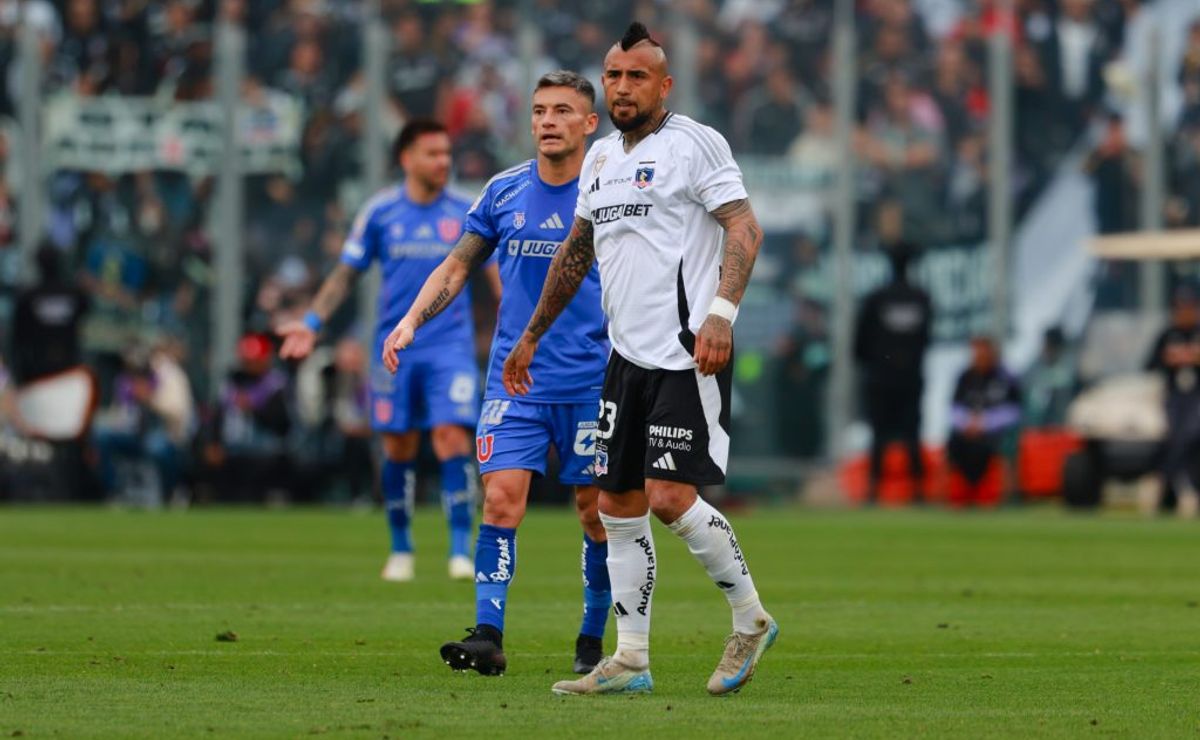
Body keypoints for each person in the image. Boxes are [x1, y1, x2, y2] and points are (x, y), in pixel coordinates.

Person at [503, 23, 777, 696]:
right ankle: (630, 660)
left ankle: (750, 617)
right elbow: (576, 253)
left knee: (670, 497)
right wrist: (532, 334)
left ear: (664, 84)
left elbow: (744, 226)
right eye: (614, 76)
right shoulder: (599, 158)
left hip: (688, 352)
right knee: (616, 505)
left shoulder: (694, 143)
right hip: (624, 359)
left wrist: (721, 314)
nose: (623, 87)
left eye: (637, 76)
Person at [381, 71, 612, 677]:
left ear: (590, 123)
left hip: (593, 380)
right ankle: (488, 633)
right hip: (516, 382)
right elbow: (456, 267)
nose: (548, 121)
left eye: (563, 111)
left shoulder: (609, 193)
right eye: (539, 110)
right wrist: (410, 321)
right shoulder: (504, 191)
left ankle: (592, 637)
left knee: (595, 513)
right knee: (502, 501)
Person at [278, 120, 500, 581]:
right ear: (406, 159)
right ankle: (401, 548)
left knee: (452, 438)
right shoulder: (380, 212)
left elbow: (496, 278)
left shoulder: (466, 210)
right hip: (394, 348)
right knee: (398, 446)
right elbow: (346, 273)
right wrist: (313, 322)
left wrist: (523, 329)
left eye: (446, 153)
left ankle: (460, 550)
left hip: (450, 348)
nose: (443, 162)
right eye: (432, 153)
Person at [853, 243, 931, 503]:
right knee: (912, 433)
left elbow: (859, 343)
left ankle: (874, 490)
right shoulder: (921, 299)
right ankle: (917, 490)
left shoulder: (876, 298)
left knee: (879, 433)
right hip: (910, 378)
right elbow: (926, 339)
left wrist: (878, 362)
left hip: (880, 378)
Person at [946, 336, 1021, 507]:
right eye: (976, 352)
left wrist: (986, 422)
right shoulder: (965, 377)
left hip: (995, 432)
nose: (979, 356)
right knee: (955, 444)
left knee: (988, 448)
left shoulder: (1005, 377)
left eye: (983, 352)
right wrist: (967, 422)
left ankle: (991, 496)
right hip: (968, 431)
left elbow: (1014, 411)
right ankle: (957, 496)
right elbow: (954, 408)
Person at [1146, 290, 1200, 515]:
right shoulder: (1168, 334)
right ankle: (1172, 489)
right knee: (1176, 439)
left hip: (1197, 394)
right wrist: (1171, 359)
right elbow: (1149, 364)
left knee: (1191, 437)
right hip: (1175, 396)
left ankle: (1171, 483)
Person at [12, 245, 89, 385]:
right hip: (66, 363)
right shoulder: (75, 295)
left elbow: (18, 338)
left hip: (38, 366)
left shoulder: (28, 297)